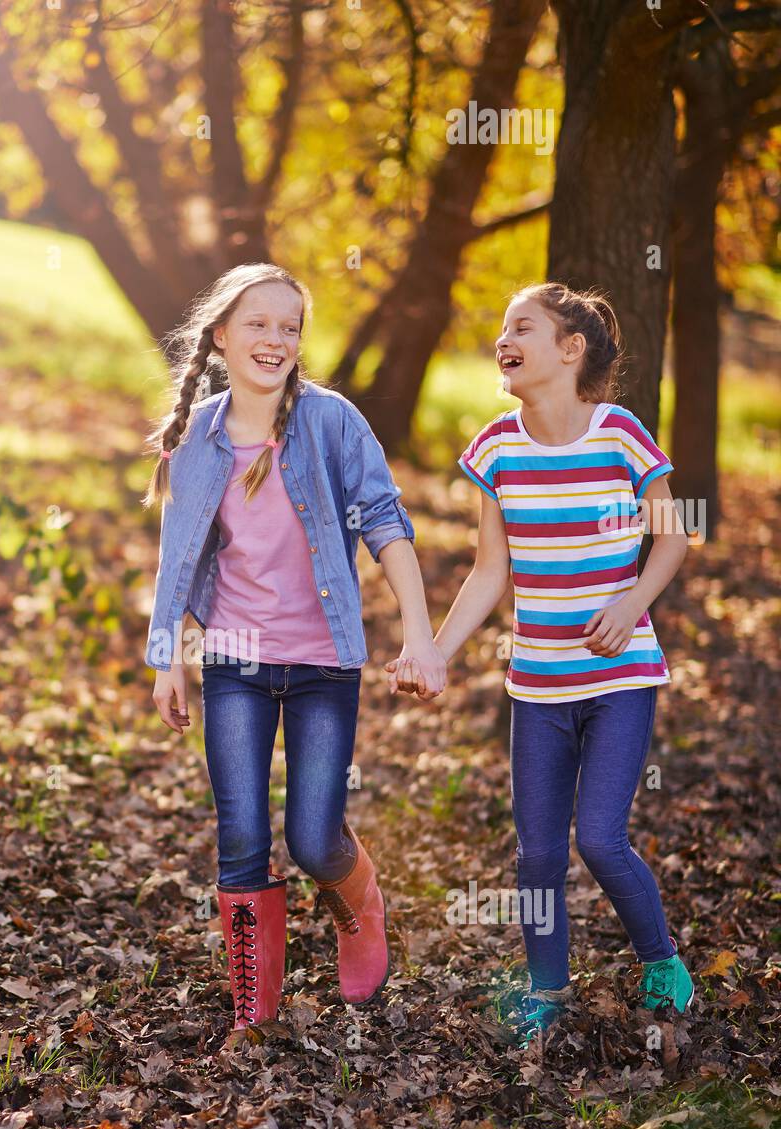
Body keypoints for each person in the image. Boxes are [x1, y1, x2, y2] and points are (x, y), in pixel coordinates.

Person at [143, 263, 446, 1045]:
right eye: (258, 324)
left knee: (314, 837)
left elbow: (386, 523)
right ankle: (256, 1009)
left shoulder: (332, 422)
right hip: (236, 667)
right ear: (219, 335)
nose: (275, 339)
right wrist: (167, 657)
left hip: (322, 667)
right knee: (240, 834)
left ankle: (359, 902)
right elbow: (179, 560)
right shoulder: (198, 441)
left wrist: (420, 634)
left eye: (289, 327)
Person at [415, 282, 693, 1046]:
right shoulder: (496, 449)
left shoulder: (620, 435)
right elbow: (487, 572)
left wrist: (629, 605)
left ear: (570, 349)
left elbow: (671, 539)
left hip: (619, 680)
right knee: (536, 852)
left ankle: (662, 962)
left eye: (522, 327)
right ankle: (548, 990)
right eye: (501, 328)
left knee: (599, 838)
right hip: (536, 686)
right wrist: (437, 652)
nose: (503, 339)